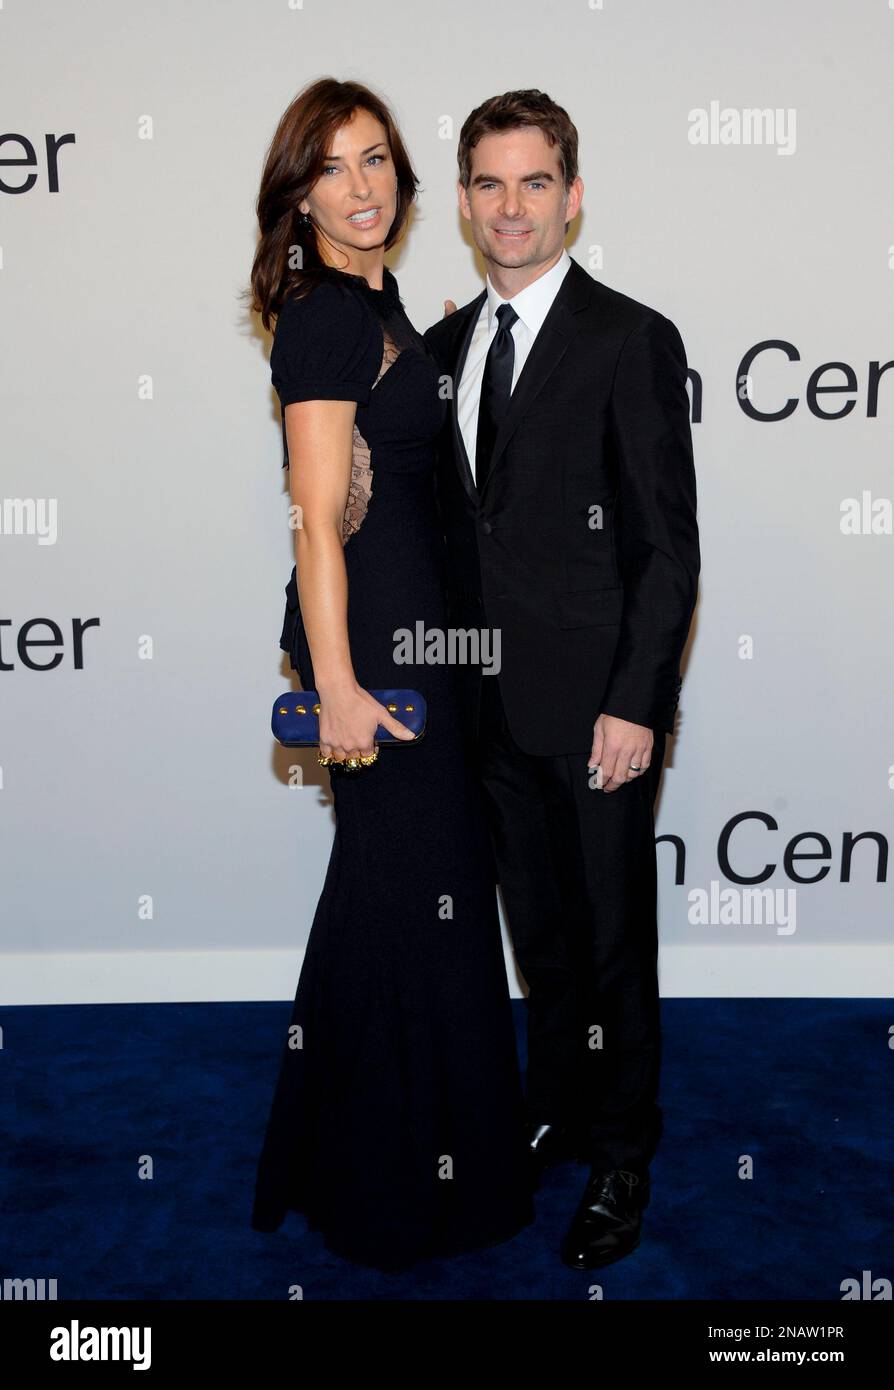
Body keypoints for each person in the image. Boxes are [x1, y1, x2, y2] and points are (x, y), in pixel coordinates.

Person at [247, 77, 534, 1271]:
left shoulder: (384, 302)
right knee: (403, 897)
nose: (360, 188)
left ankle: (373, 1153)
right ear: (298, 192)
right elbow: (319, 523)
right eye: (333, 168)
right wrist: (343, 684)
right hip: (379, 662)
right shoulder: (323, 318)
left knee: (402, 898)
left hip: (433, 649)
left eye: (375, 162)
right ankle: (391, 1189)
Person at [423, 89, 700, 1269]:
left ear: (572, 197)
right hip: (486, 709)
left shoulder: (630, 338)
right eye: (489, 183)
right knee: (536, 933)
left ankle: (625, 1150)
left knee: (611, 939)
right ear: (466, 203)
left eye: (535, 182)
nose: (512, 205)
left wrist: (636, 702)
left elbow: (666, 546)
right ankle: (564, 1106)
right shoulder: (443, 351)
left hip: (596, 713)